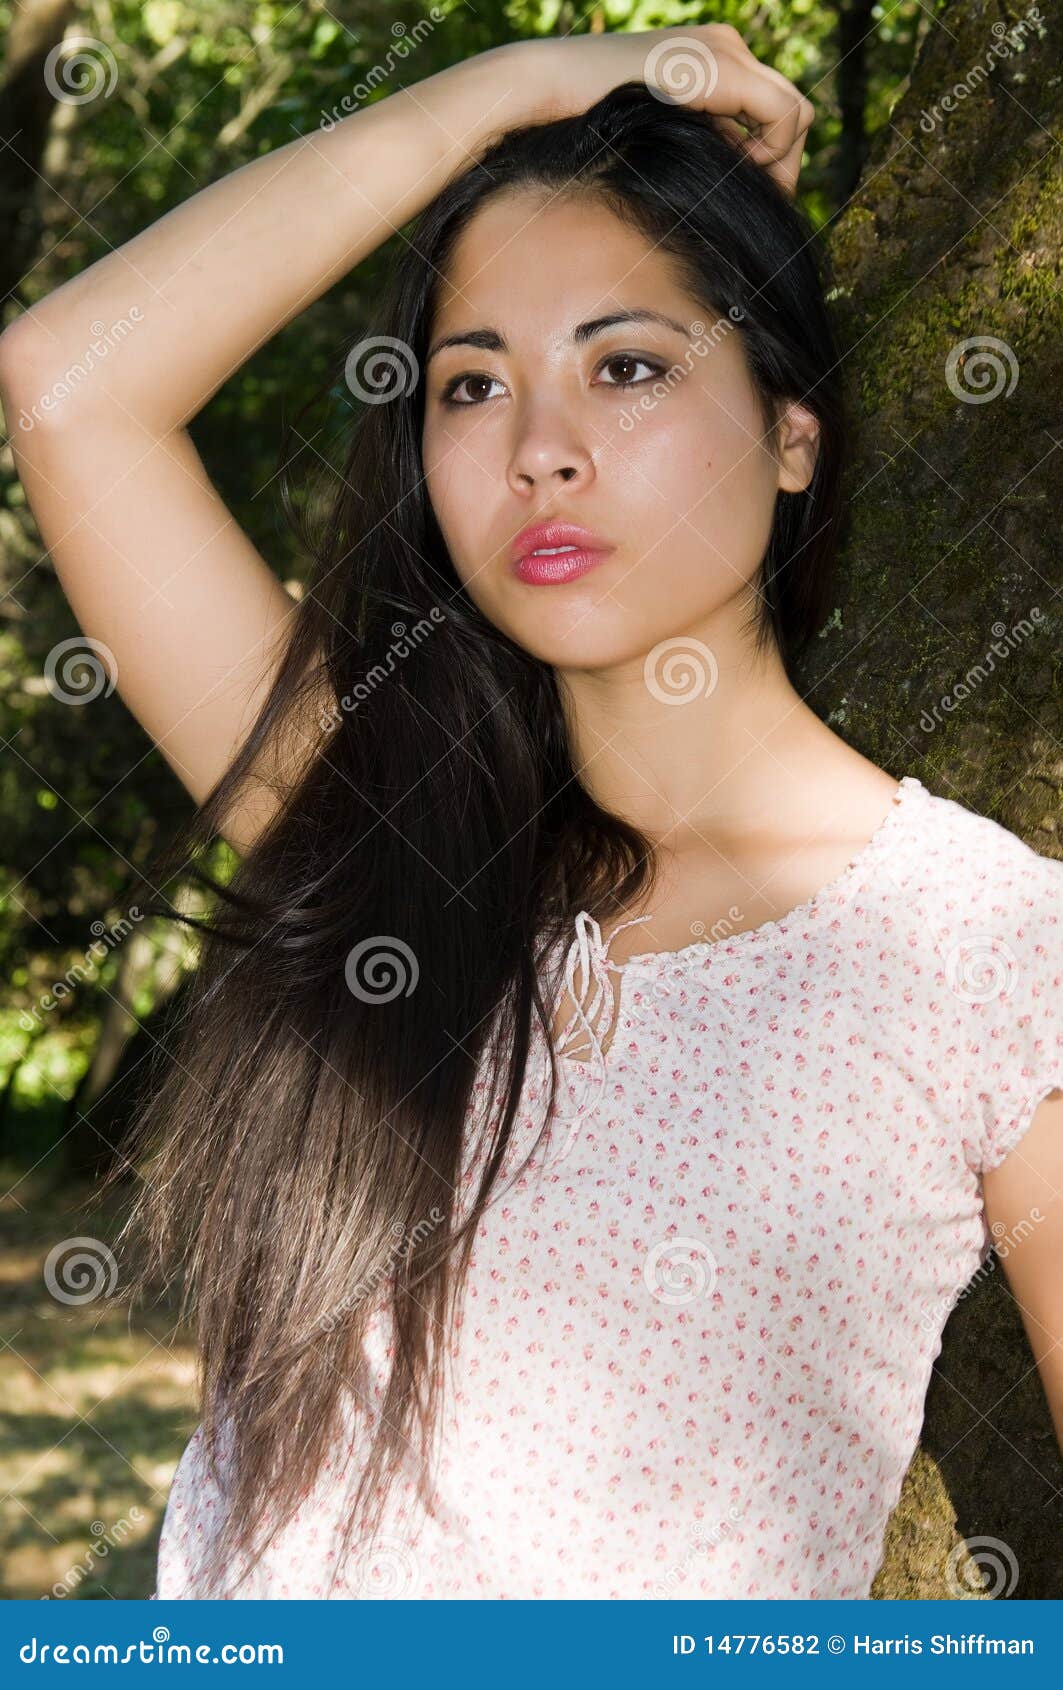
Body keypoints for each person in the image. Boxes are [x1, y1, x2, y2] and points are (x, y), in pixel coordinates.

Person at [1, 24, 1060, 1602]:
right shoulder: (376, 814)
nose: (538, 450)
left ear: (791, 435)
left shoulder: (986, 945)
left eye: (626, 366)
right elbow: (66, 383)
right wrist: (528, 89)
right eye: (470, 382)